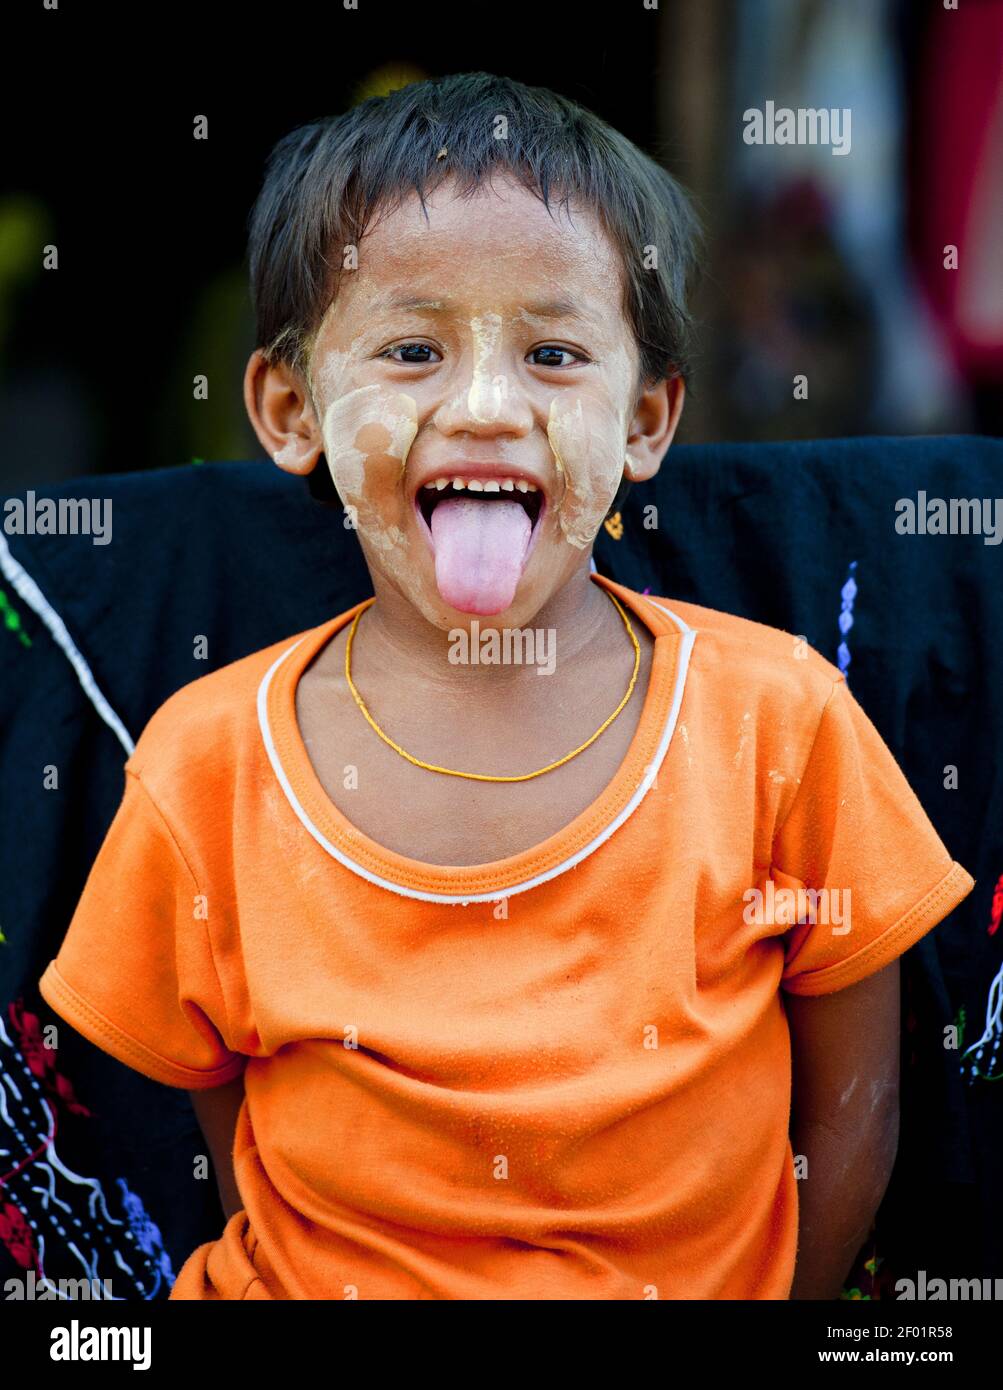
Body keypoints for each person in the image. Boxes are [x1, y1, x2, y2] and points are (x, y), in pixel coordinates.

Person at [38, 72, 974, 1300]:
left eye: (553, 353)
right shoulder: (207, 764)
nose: (486, 407)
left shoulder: (777, 723)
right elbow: (228, 1147)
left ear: (645, 422)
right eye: (412, 350)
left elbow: (856, 1112)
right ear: (289, 409)